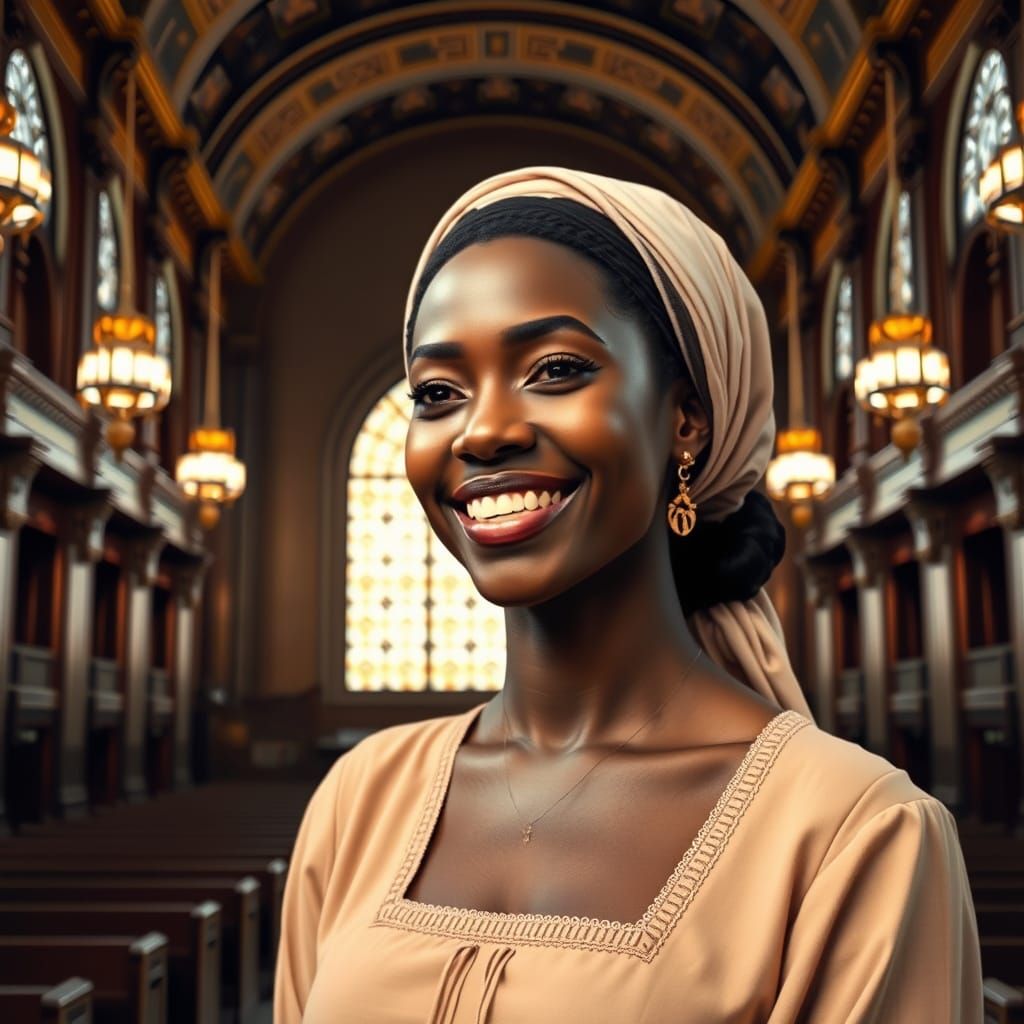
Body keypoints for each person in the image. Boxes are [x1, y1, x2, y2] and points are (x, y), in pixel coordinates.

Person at [274, 167, 983, 1023]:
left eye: (557, 368)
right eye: (436, 392)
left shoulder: (857, 833)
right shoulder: (359, 799)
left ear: (687, 417)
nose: (485, 429)